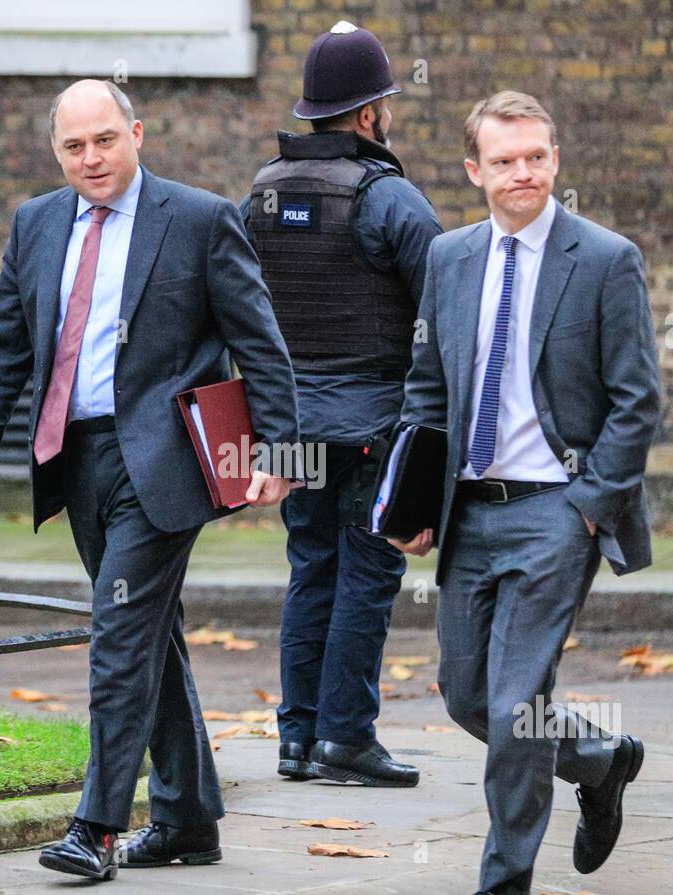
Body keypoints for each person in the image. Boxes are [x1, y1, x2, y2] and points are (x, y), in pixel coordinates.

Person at [0, 80, 300, 882]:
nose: (91, 158)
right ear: (56, 151)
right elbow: (2, 349)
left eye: (105, 139)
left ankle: (98, 828)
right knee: (149, 637)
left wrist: (278, 449)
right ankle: (187, 822)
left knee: (116, 636)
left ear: (136, 133)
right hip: (75, 459)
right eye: (74, 146)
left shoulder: (202, 219)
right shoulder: (35, 224)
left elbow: (261, 340)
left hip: (167, 462)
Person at [392, 91, 661, 895]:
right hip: (470, 509)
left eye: (536, 157)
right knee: (468, 697)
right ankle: (598, 757)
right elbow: (428, 386)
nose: (523, 173)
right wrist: (413, 493)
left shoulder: (606, 260)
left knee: (516, 704)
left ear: (555, 160)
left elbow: (637, 400)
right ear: (475, 170)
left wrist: (589, 507)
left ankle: (502, 891)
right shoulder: (448, 258)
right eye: (504, 160)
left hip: (557, 510)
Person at [241, 21, 443, 788]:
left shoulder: (260, 194)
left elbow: (239, 310)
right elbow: (442, 318)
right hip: (370, 428)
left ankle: (297, 741)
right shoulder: (391, 201)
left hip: (288, 427)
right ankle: (347, 739)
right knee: (366, 572)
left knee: (309, 568)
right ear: (368, 114)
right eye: (382, 103)